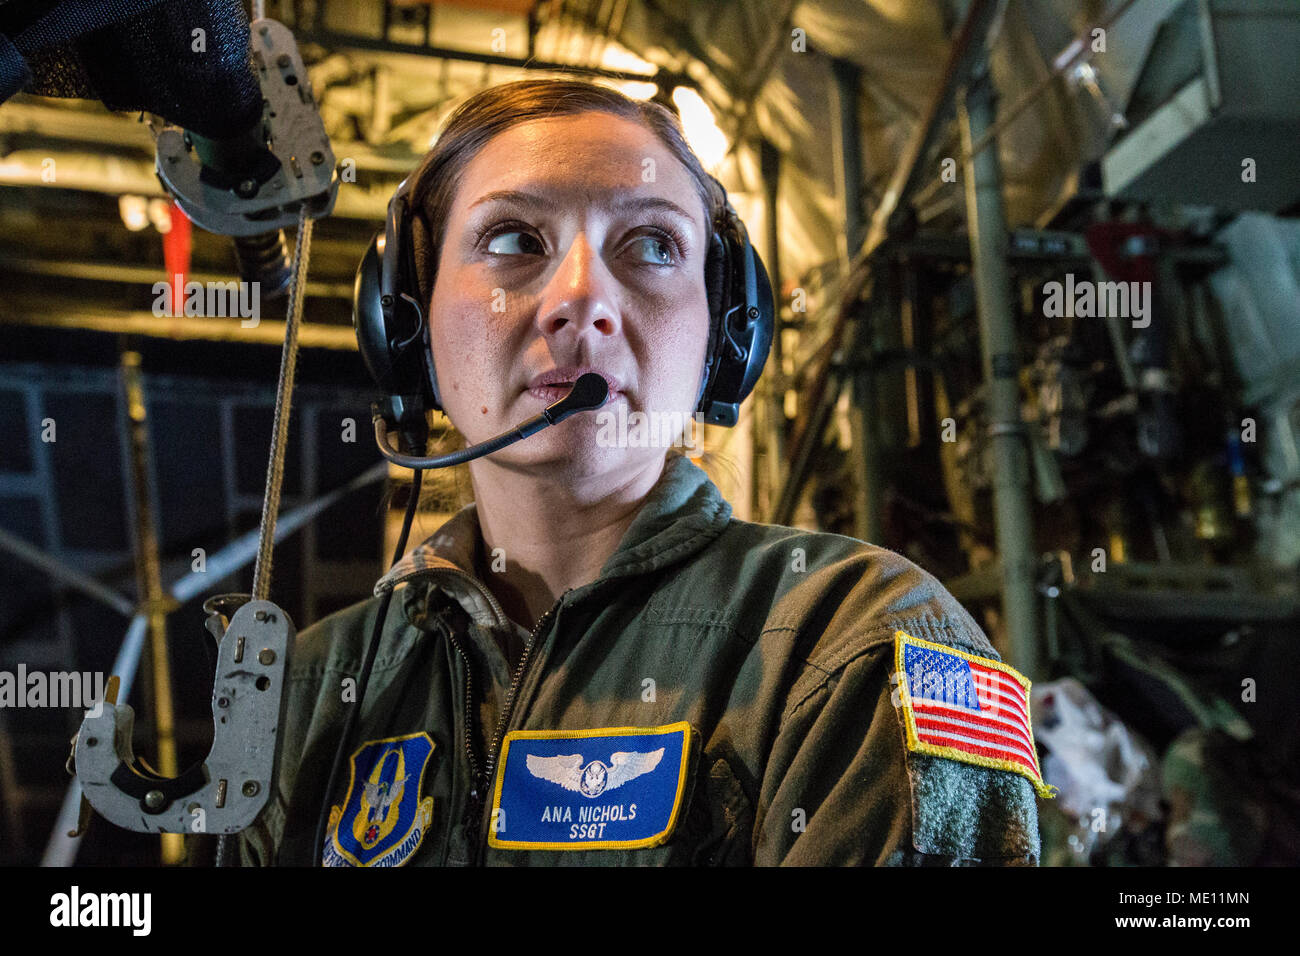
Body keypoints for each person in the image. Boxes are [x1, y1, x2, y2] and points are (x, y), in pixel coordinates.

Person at [236, 77, 1051, 867]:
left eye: (653, 246)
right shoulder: (310, 690)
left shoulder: (856, 642)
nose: (582, 298)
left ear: (727, 337)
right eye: (515, 239)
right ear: (403, 320)